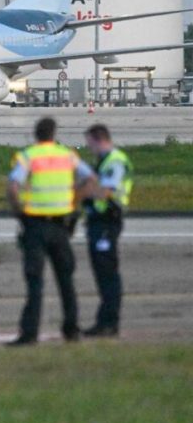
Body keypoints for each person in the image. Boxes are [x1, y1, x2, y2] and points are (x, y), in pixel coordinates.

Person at [5, 116, 96, 346]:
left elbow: (13, 186)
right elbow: (91, 179)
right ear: (54, 134)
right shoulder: (67, 156)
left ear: (35, 134)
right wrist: (74, 202)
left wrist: (19, 211)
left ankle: (29, 334)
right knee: (66, 280)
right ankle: (71, 330)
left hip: (34, 224)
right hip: (60, 226)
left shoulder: (29, 156)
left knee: (35, 281)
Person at [82, 124, 133, 337]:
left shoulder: (115, 161)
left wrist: (85, 189)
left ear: (98, 139)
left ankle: (109, 322)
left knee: (108, 272)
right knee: (102, 273)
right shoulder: (104, 162)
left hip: (107, 222)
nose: (89, 147)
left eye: (90, 143)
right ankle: (105, 320)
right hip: (98, 222)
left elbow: (105, 192)